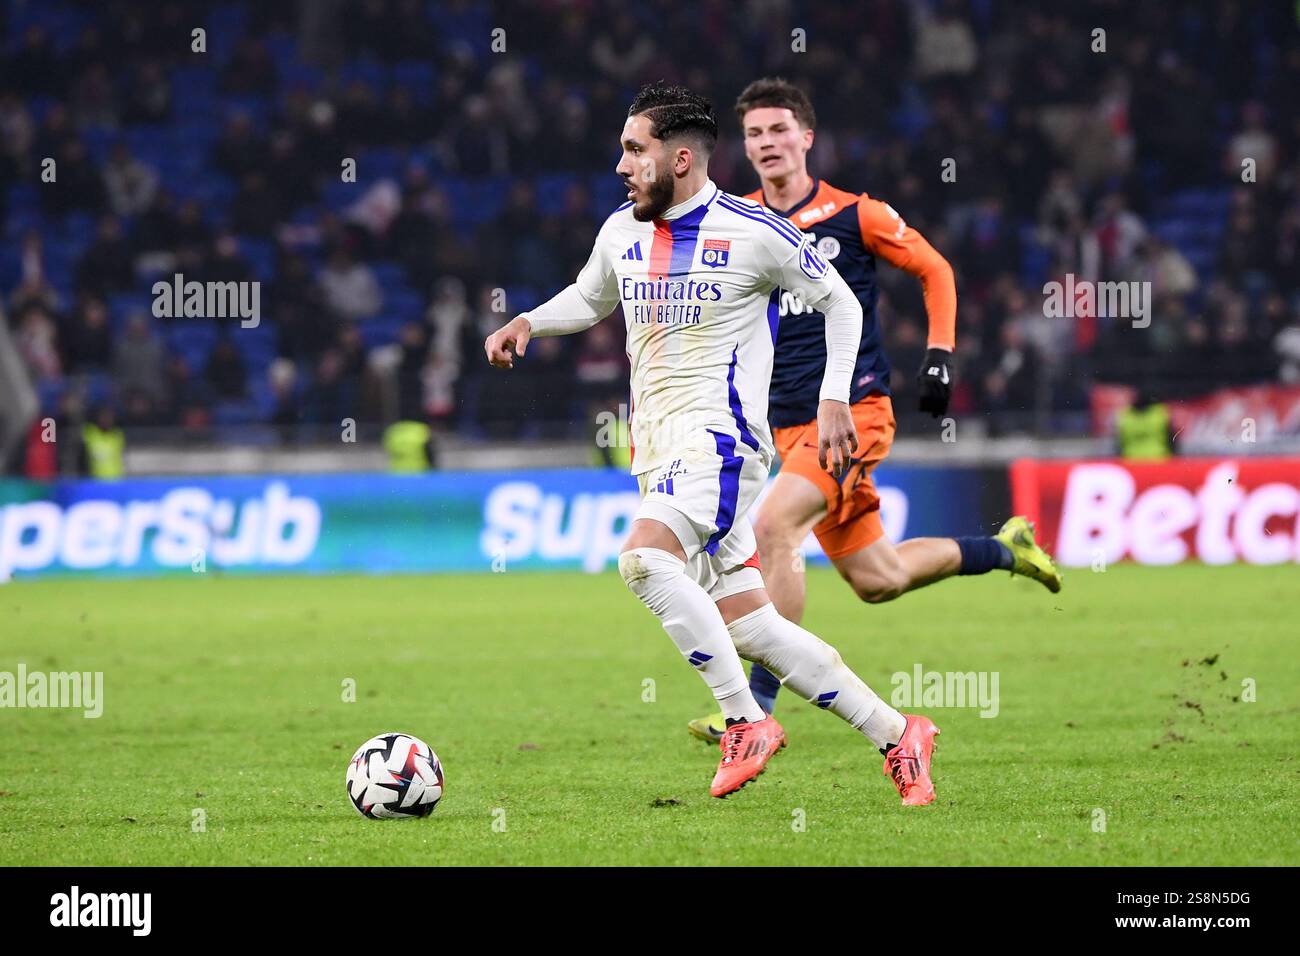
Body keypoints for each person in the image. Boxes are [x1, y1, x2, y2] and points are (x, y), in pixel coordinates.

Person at [485, 82, 940, 805]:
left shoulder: (754, 232)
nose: (621, 165)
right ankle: (898, 733)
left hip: (721, 445)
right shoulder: (620, 232)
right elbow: (592, 296)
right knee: (755, 627)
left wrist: (831, 397)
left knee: (642, 560)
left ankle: (744, 719)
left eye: (636, 150)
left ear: (684, 158)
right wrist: (530, 323)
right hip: (658, 452)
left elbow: (842, 303)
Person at [687, 78, 1062, 743]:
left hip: (853, 414)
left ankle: (754, 714)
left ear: (807, 138)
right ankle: (1006, 550)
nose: (768, 144)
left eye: (779, 130)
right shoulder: (736, 222)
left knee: (773, 529)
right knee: (877, 578)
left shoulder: (856, 214)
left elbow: (936, 270)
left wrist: (941, 352)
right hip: (785, 424)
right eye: (754, 134)